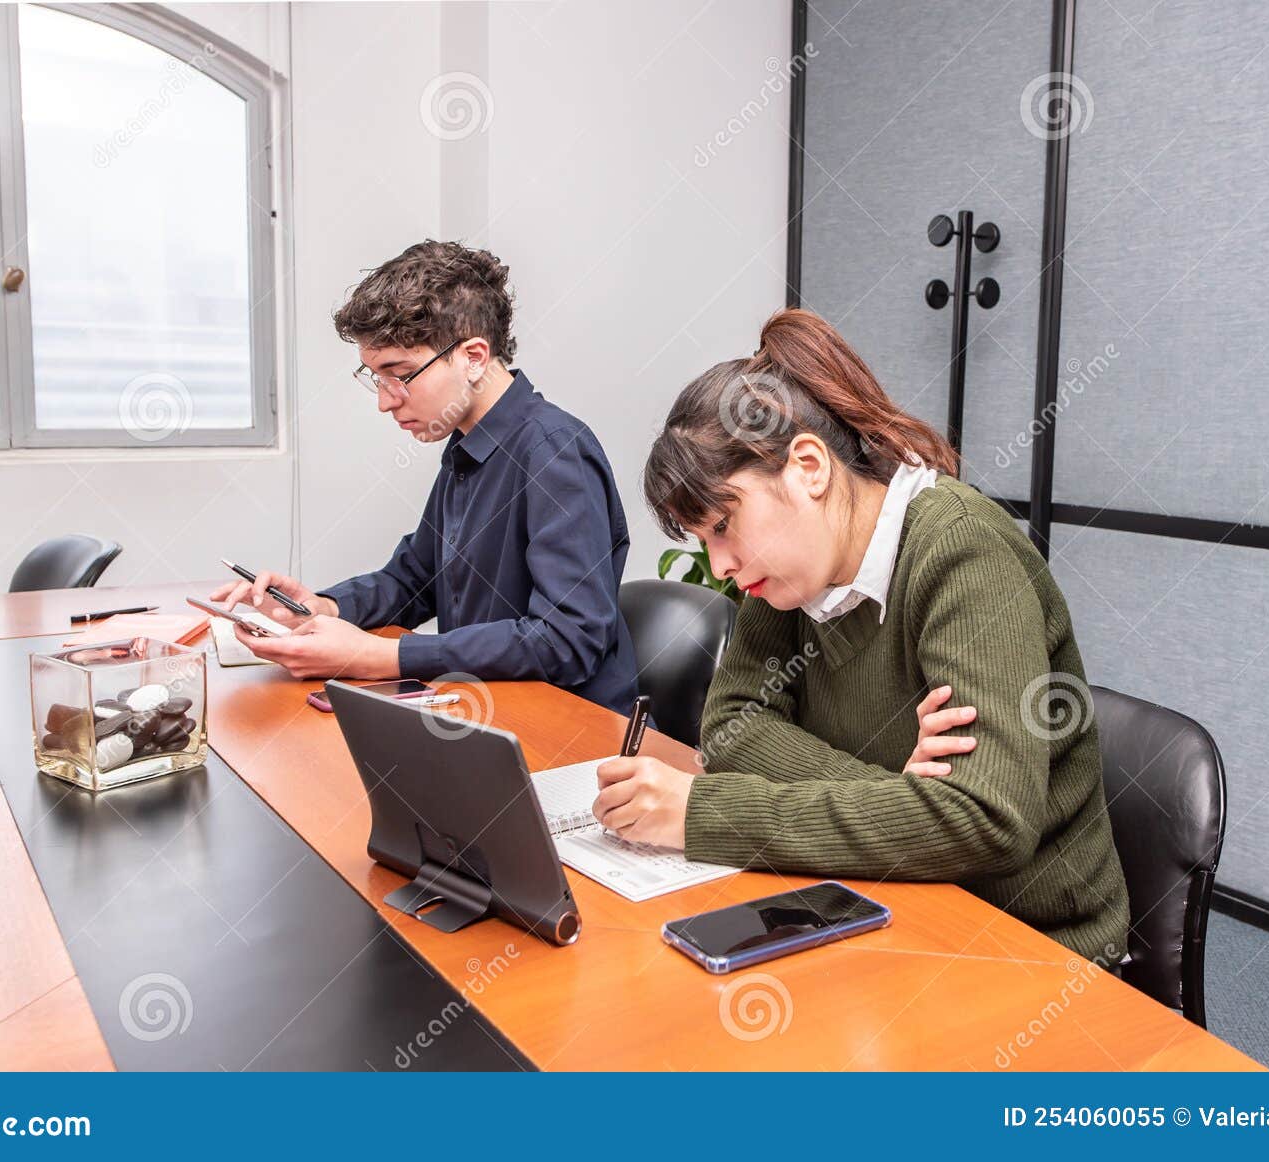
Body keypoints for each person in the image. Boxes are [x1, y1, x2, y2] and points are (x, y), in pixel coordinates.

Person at [592, 308, 1129, 963]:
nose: (722, 565)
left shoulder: (962, 554)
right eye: (706, 541)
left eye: (724, 525)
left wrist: (706, 814)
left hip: (1030, 941)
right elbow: (732, 728)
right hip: (888, 896)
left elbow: (984, 824)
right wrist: (896, 797)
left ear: (808, 468)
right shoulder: (792, 573)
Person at [212, 241, 641, 715]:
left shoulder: (554, 451)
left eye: (400, 374)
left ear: (474, 356)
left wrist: (380, 656)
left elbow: (567, 640)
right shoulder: (466, 442)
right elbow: (417, 580)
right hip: (490, 706)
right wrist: (321, 608)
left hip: (575, 729)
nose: (385, 400)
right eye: (375, 377)